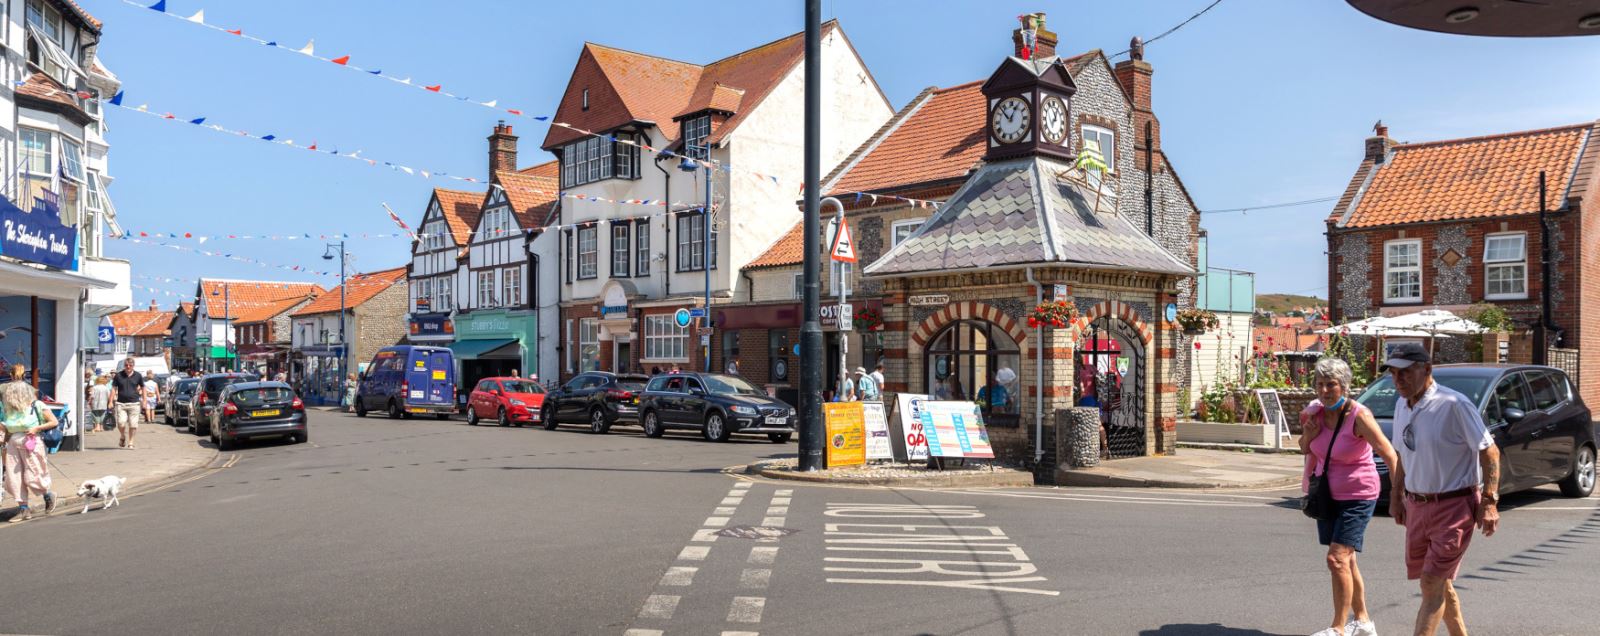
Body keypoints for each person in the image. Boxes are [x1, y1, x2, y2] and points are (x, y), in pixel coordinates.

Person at [1382, 343, 1500, 636]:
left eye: (1406, 372)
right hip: (1416, 505)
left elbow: (1490, 452)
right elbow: (1401, 456)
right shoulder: (1401, 405)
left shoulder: (1454, 405)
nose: (1399, 380)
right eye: (1394, 374)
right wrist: (1396, 497)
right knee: (1440, 582)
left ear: (1427, 369)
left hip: (1454, 507)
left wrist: (1489, 502)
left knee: (1430, 583)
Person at [1298, 358, 1397, 636]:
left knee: (1337, 559)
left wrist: (1401, 493)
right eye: (1320, 384)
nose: (1324, 390)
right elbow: (1305, 449)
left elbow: (1389, 454)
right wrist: (1308, 434)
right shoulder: (1313, 414)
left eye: (1331, 384)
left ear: (1345, 386)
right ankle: (1364, 622)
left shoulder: (1359, 415)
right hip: (1327, 495)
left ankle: (1339, 628)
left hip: (1359, 494)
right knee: (1348, 560)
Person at [2, 375, 58, 521]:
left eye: (10, 394)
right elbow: (9, 428)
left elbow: (53, 422)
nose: (7, 396)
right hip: (13, 443)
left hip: (31, 442)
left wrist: (36, 428)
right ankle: (24, 509)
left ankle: (48, 495)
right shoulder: (10, 410)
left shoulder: (37, 405)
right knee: (14, 478)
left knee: (33, 475)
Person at [111, 357, 144, 449]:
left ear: (133, 366)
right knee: (121, 423)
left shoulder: (138, 375)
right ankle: (122, 436)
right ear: (124, 366)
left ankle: (131, 442)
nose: (128, 367)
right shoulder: (118, 375)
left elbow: (143, 387)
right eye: (126, 365)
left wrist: (144, 400)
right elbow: (113, 389)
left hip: (134, 403)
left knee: (133, 424)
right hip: (121, 403)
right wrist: (110, 401)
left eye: (130, 365)